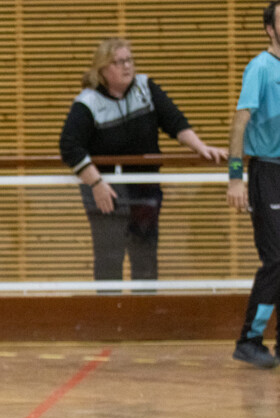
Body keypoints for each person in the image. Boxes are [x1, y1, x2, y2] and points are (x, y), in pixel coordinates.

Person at [60, 38, 228, 284]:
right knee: (109, 258)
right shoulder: (88, 102)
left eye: (130, 60)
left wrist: (200, 147)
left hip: (144, 188)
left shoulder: (145, 88)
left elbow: (175, 122)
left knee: (145, 255)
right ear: (103, 69)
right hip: (106, 191)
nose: (127, 66)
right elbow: (69, 146)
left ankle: (144, 317)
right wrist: (96, 184)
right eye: (119, 62)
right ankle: (110, 318)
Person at [227, 2, 280, 369]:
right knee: (276, 258)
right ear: (269, 29)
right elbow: (239, 122)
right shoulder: (260, 68)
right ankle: (250, 338)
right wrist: (235, 176)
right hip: (267, 172)